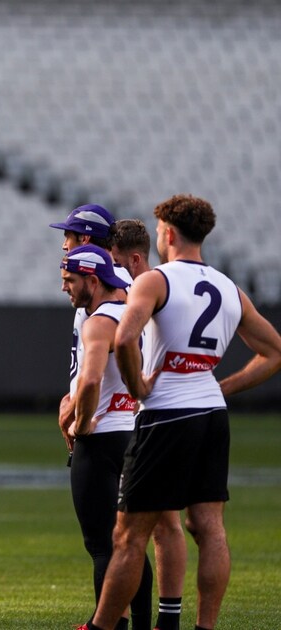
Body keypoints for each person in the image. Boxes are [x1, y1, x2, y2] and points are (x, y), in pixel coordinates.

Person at [84, 194, 281, 630]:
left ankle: (100, 626)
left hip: (166, 414)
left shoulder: (154, 280)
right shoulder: (229, 287)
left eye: (159, 231)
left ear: (168, 233)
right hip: (211, 414)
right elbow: (274, 352)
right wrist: (221, 387)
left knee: (128, 535)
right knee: (209, 528)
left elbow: (123, 340)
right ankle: (204, 627)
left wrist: (138, 388)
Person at [57, 245, 150, 630]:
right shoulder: (133, 311)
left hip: (101, 440)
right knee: (133, 544)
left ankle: (108, 625)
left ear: (92, 280)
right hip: (135, 434)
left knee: (101, 546)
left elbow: (92, 379)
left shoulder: (97, 322)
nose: (64, 288)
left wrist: (80, 422)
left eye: (70, 280)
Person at [107, 218, 188, 630]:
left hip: (149, 417)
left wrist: (138, 387)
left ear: (134, 259)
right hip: (153, 416)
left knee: (139, 527)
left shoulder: (149, 289)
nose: (110, 268)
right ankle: (161, 619)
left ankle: (124, 620)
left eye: (116, 261)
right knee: (160, 523)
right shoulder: (147, 290)